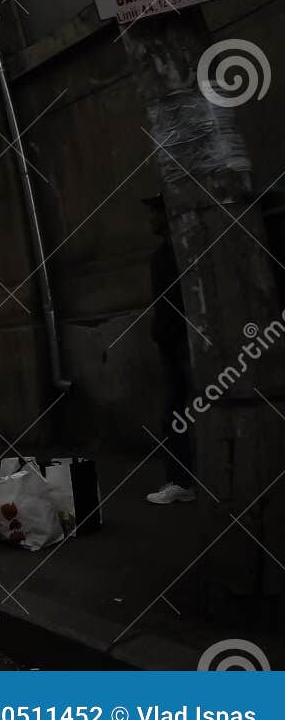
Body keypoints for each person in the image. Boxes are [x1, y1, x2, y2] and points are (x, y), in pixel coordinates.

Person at [145, 197, 196, 505]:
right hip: (171, 342)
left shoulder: (180, 252)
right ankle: (181, 478)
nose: (150, 219)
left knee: (178, 412)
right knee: (175, 412)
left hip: (183, 342)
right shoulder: (162, 254)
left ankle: (182, 481)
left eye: (155, 212)